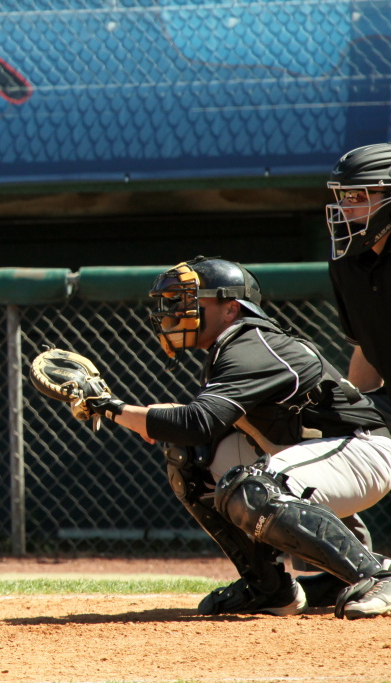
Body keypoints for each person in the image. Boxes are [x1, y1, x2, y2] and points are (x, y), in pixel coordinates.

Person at [82, 255, 391, 619]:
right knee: (191, 457)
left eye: (189, 301)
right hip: (310, 453)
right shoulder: (230, 347)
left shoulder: (252, 345)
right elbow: (197, 426)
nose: (175, 312)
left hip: (362, 449)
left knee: (252, 489)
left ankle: (377, 574)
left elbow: (197, 420)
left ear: (231, 309)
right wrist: (138, 416)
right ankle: (271, 589)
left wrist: (110, 407)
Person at [326, 143, 391, 411]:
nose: (344, 207)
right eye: (342, 196)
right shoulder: (347, 261)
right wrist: (355, 417)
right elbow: (365, 347)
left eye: (357, 197)